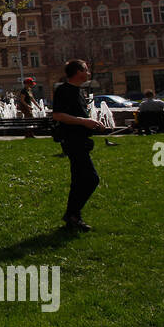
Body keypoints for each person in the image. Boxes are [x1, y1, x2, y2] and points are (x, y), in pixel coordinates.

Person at [50, 59, 109, 232]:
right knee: (91, 179)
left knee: (78, 181)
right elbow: (58, 115)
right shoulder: (64, 90)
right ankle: (72, 214)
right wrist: (84, 121)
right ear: (77, 72)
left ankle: (73, 216)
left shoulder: (78, 91)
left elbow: (77, 116)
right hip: (73, 141)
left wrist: (94, 124)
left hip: (80, 140)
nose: (88, 73)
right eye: (86, 70)